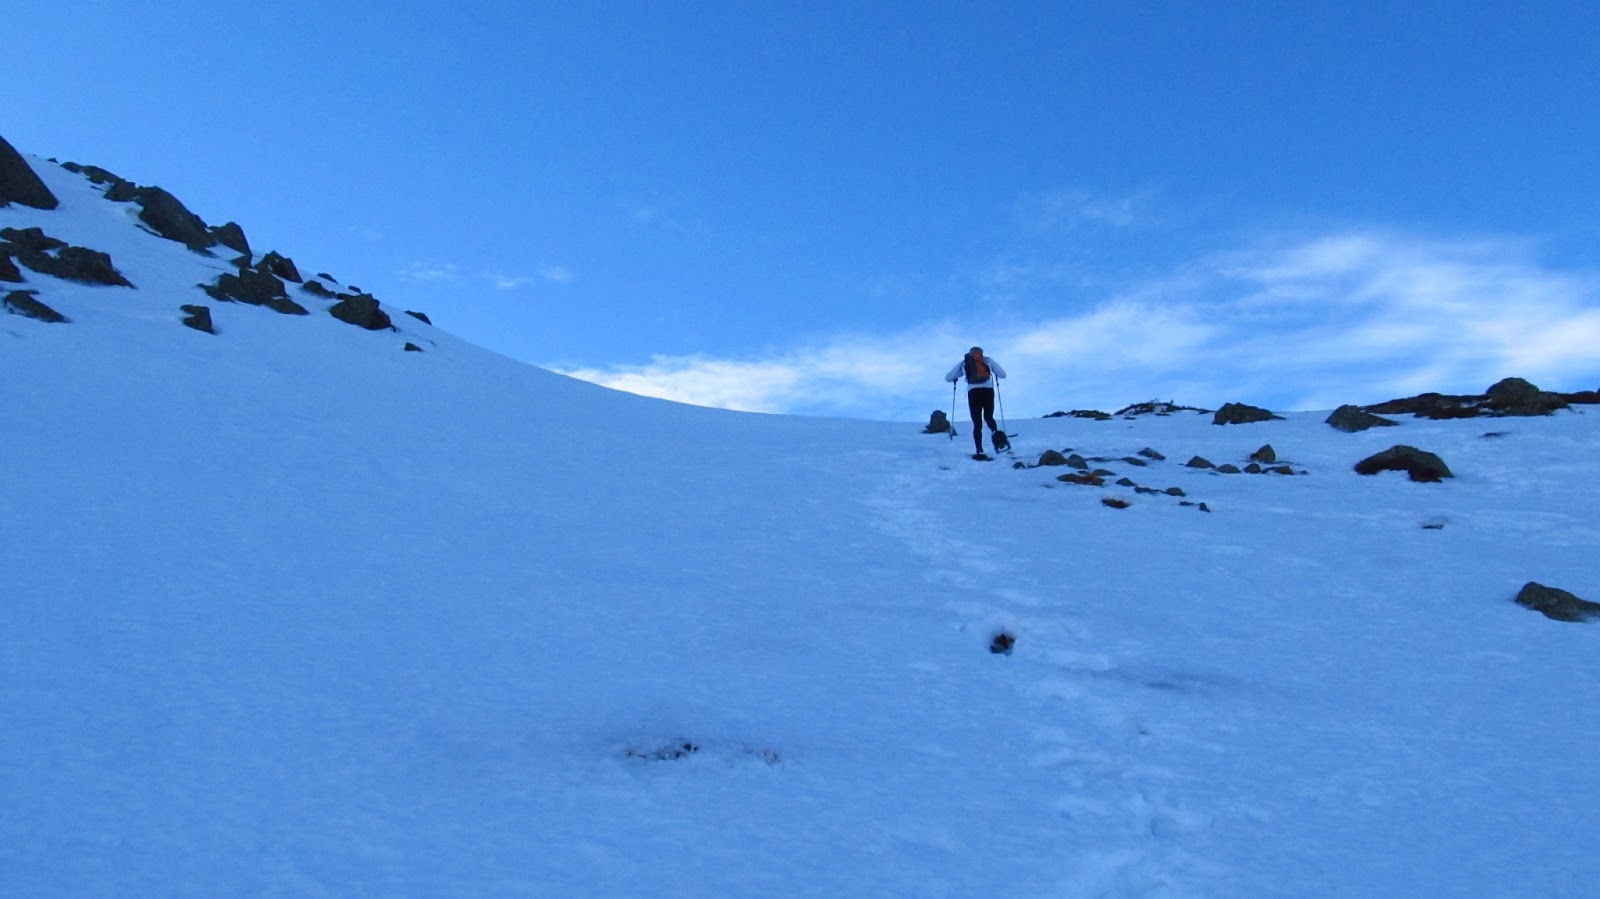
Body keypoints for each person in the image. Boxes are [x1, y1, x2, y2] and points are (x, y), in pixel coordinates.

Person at [945, 346, 1007, 456]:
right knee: (988, 417)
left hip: (973, 392)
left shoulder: (964, 363)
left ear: (970, 354)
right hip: (988, 391)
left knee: (977, 423)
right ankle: (997, 436)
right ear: (981, 353)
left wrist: (957, 377)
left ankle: (979, 450)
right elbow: (1003, 375)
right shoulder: (987, 360)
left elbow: (948, 377)